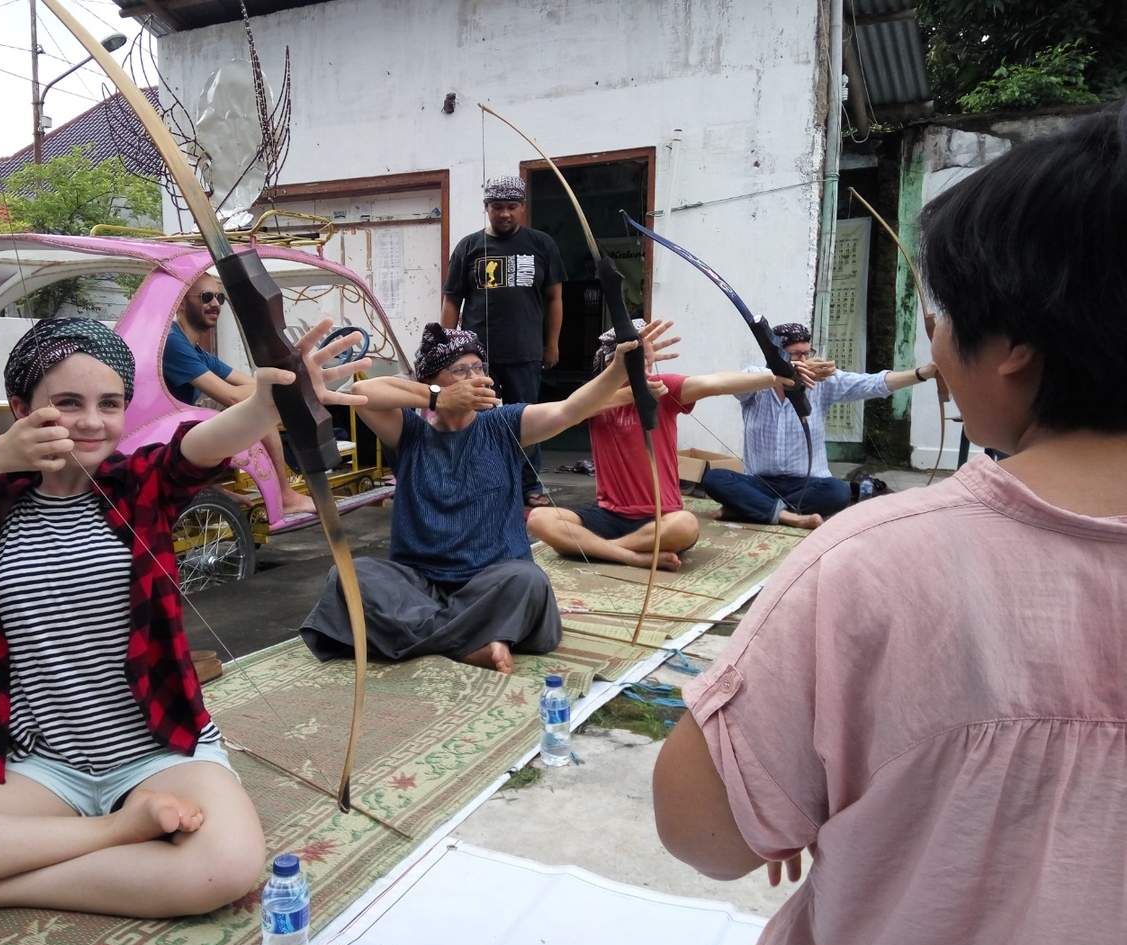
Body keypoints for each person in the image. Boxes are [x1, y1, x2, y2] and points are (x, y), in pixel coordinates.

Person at [652, 103, 1127, 945]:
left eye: (943, 315)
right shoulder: (765, 390)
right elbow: (719, 383)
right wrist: (779, 370)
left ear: (1014, 346)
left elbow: (701, 828)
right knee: (723, 481)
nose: (936, 345)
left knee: (849, 490)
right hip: (762, 484)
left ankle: (797, 509)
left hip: (817, 501)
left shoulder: (867, 563)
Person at [0, 316, 366, 944]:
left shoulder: (140, 481)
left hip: (162, 755)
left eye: (109, 403)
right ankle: (111, 836)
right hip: (43, 768)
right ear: (20, 408)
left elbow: (218, 434)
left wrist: (270, 402)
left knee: (222, 868)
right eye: (67, 403)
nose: (91, 422)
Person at [300, 320, 660, 675]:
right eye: (459, 370)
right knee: (349, 576)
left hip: (491, 582)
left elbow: (569, 410)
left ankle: (432, 635)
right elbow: (367, 393)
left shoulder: (503, 424)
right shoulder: (409, 433)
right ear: (431, 382)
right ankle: (470, 643)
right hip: (417, 583)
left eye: (478, 367)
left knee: (528, 581)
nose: (474, 376)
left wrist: (616, 371)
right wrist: (437, 400)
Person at [528, 321, 802, 568]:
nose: (645, 368)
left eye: (646, 360)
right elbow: (566, 409)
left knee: (686, 525)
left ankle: (602, 549)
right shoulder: (595, 400)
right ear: (614, 365)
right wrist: (631, 393)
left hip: (661, 519)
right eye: (635, 361)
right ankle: (631, 556)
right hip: (608, 516)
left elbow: (714, 382)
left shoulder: (663, 388)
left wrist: (773, 377)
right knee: (540, 519)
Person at [699, 322, 937, 528]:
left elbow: (873, 383)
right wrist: (777, 376)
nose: (803, 361)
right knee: (714, 478)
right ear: (776, 356)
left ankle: (751, 510)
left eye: (806, 353)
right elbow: (726, 384)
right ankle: (791, 517)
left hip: (807, 484)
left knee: (838, 492)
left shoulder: (821, 381)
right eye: (794, 355)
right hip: (760, 482)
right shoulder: (756, 379)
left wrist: (922, 373)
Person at [441, 175, 566, 507]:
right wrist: (447, 349)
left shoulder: (541, 245)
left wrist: (551, 342)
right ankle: (481, 482)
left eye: (512, 207)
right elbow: (452, 301)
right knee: (476, 418)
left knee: (525, 419)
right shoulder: (468, 247)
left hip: (525, 350)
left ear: (523, 208)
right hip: (474, 358)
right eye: (497, 207)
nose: (505, 214)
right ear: (487, 208)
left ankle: (530, 485)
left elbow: (555, 297)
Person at [163, 272, 317, 516]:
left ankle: (209, 488)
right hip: (158, 439)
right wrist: (274, 386)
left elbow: (247, 383)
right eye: (206, 297)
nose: (215, 304)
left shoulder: (196, 351)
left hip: (175, 434)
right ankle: (285, 496)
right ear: (180, 303)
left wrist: (282, 380)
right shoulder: (171, 342)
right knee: (257, 414)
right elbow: (233, 396)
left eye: (219, 297)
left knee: (256, 401)